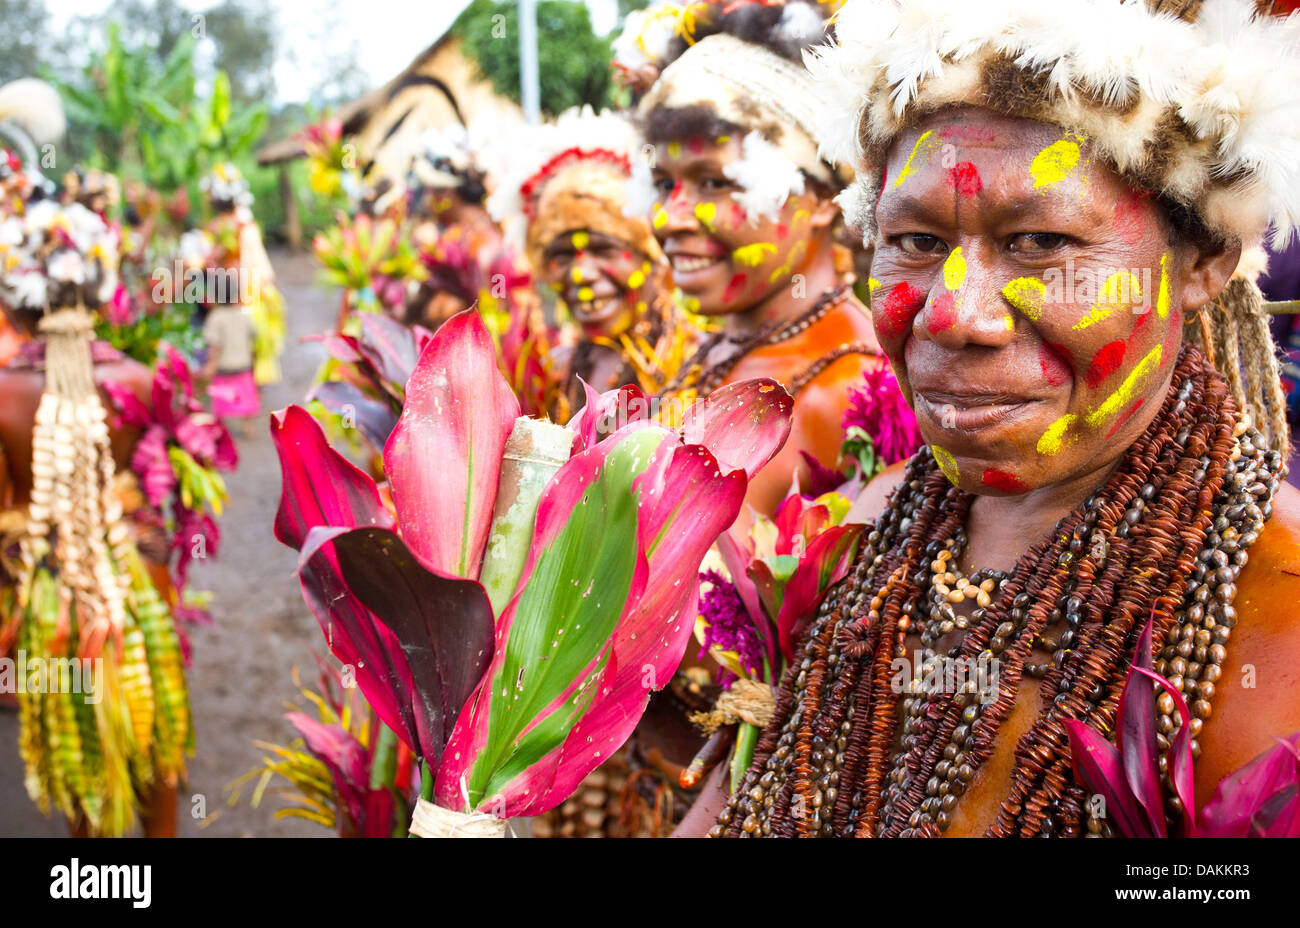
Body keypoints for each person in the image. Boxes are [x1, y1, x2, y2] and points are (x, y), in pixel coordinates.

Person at [679, 0, 1300, 838]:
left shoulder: (1276, 609)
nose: (953, 315)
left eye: (1040, 241)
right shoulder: (850, 545)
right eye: (919, 243)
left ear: (1206, 260)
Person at [619, 0, 899, 518]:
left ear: (818, 198)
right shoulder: (723, 347)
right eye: (663, 185)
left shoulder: (854, 389)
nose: (669, 218)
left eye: (714, 182)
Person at [488, 106, 682, 419]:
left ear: (653, 255)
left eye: (604, 249)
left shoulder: (697, 367)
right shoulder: (552, 374)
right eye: (561, 255)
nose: (580, 274)